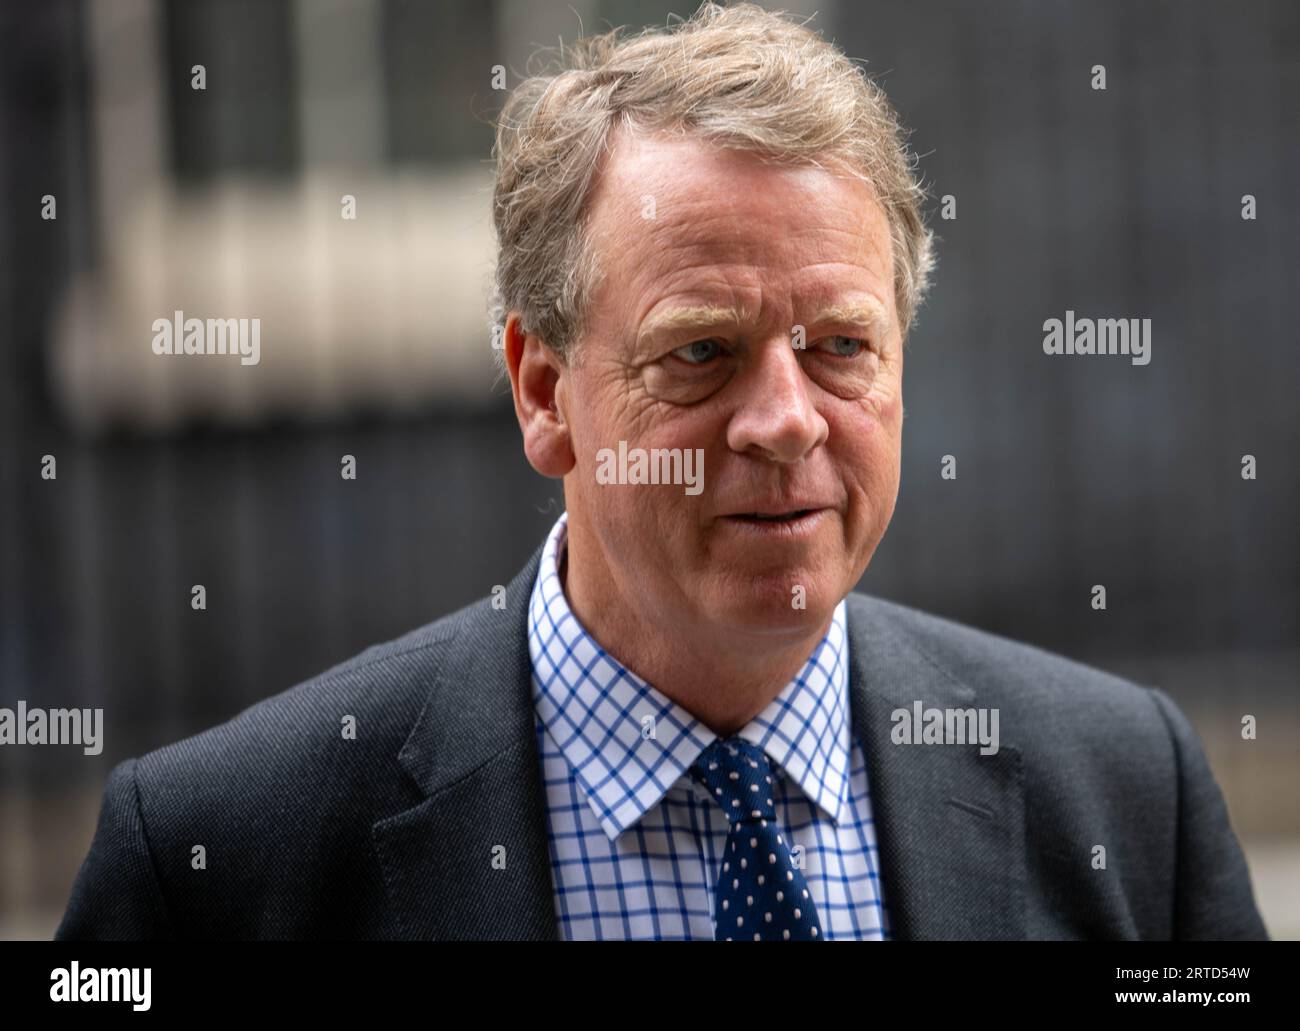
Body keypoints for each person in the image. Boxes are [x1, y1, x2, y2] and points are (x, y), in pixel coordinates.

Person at [57, 2, 1267, 941]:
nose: (785, 421)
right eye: (700, 352)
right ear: (543, 392)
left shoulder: (1124, 796)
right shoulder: (218, 858)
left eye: (841, 346)